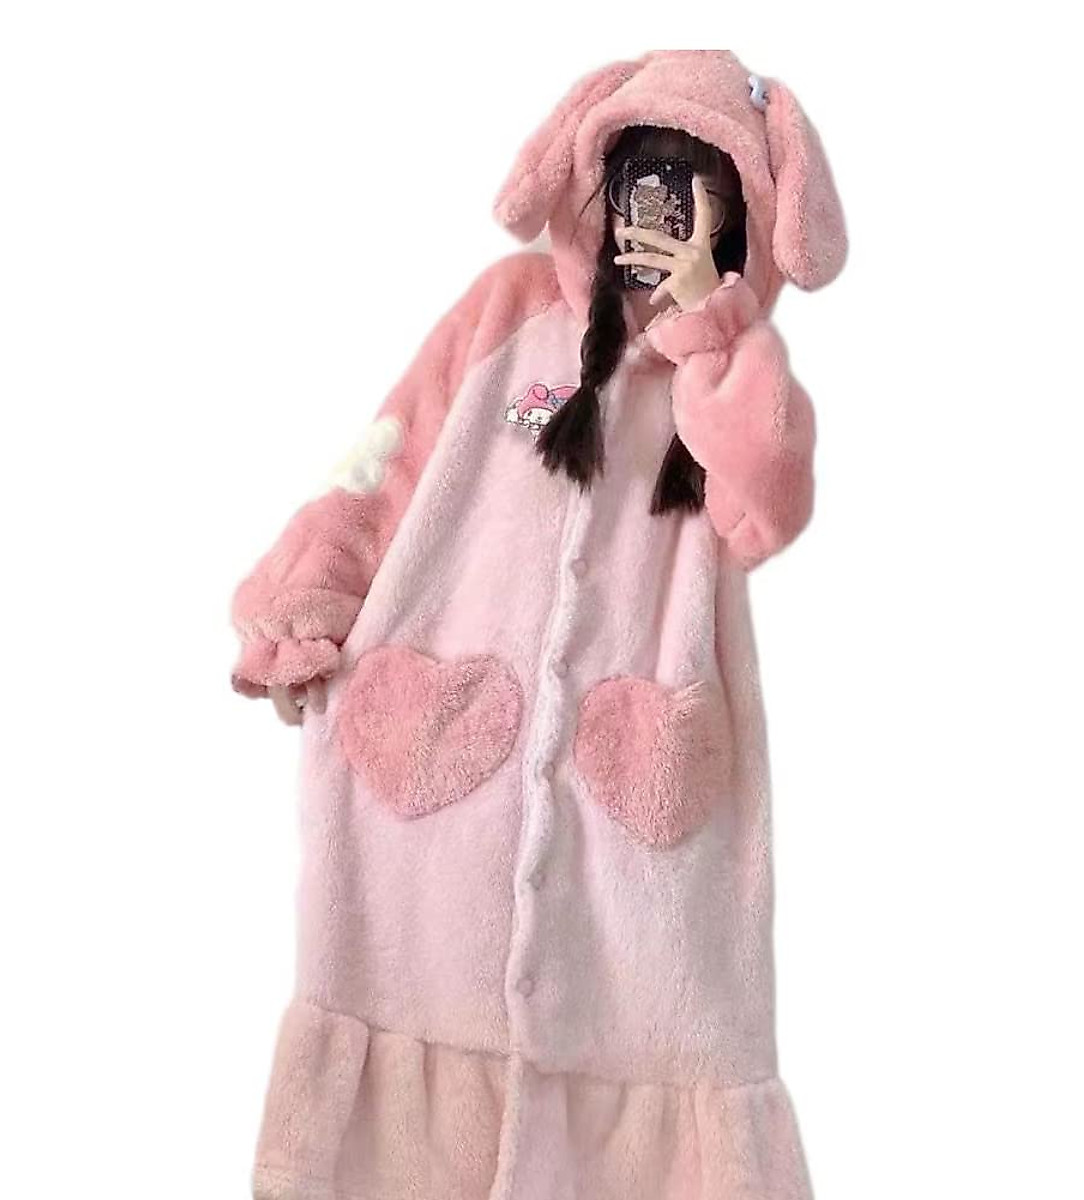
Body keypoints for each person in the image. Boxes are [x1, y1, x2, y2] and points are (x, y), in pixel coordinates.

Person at [230, 48, 846, 1200]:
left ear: (739, 217)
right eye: (640, 182)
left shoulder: (734, 376)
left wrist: (712, 328)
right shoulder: (506, 314)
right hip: (434, 767)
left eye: (692, 192)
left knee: (656, 1008)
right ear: (597, 185)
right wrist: (305, 595)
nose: (655, 215)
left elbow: (764, 512)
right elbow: (384, 455)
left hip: (637, 795)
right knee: (409, 969)